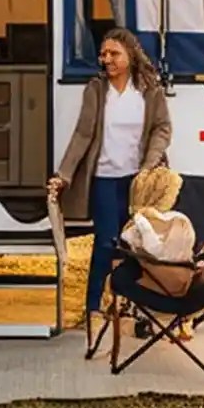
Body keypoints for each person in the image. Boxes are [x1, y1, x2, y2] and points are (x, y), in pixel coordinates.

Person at [47, 27, 172, 326]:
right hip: (104, 178)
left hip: (137, 182)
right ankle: (93, 309)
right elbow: (82, 134)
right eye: (103, 54)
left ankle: (134, 307)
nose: (107, 60)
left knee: (136, 244)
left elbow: (162, 129)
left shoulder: (149, 90)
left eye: (114, 53)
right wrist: (63, 174)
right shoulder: (96, 90)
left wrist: (150, 164)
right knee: (106, 242)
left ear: (130, 54)